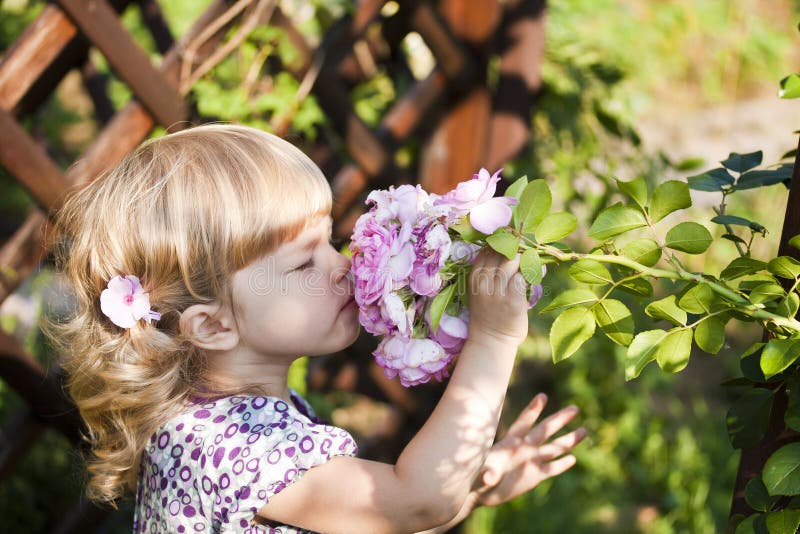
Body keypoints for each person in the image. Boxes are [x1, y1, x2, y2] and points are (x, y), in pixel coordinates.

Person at [46, 123, 586, 533]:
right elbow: (411, 501)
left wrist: (476, 481)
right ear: (212, 325)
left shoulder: (231, 422)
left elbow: (375, 519)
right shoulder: (227, 446)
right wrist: (494, 340)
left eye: (329, 241)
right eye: (305, 264)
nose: (342, 264)